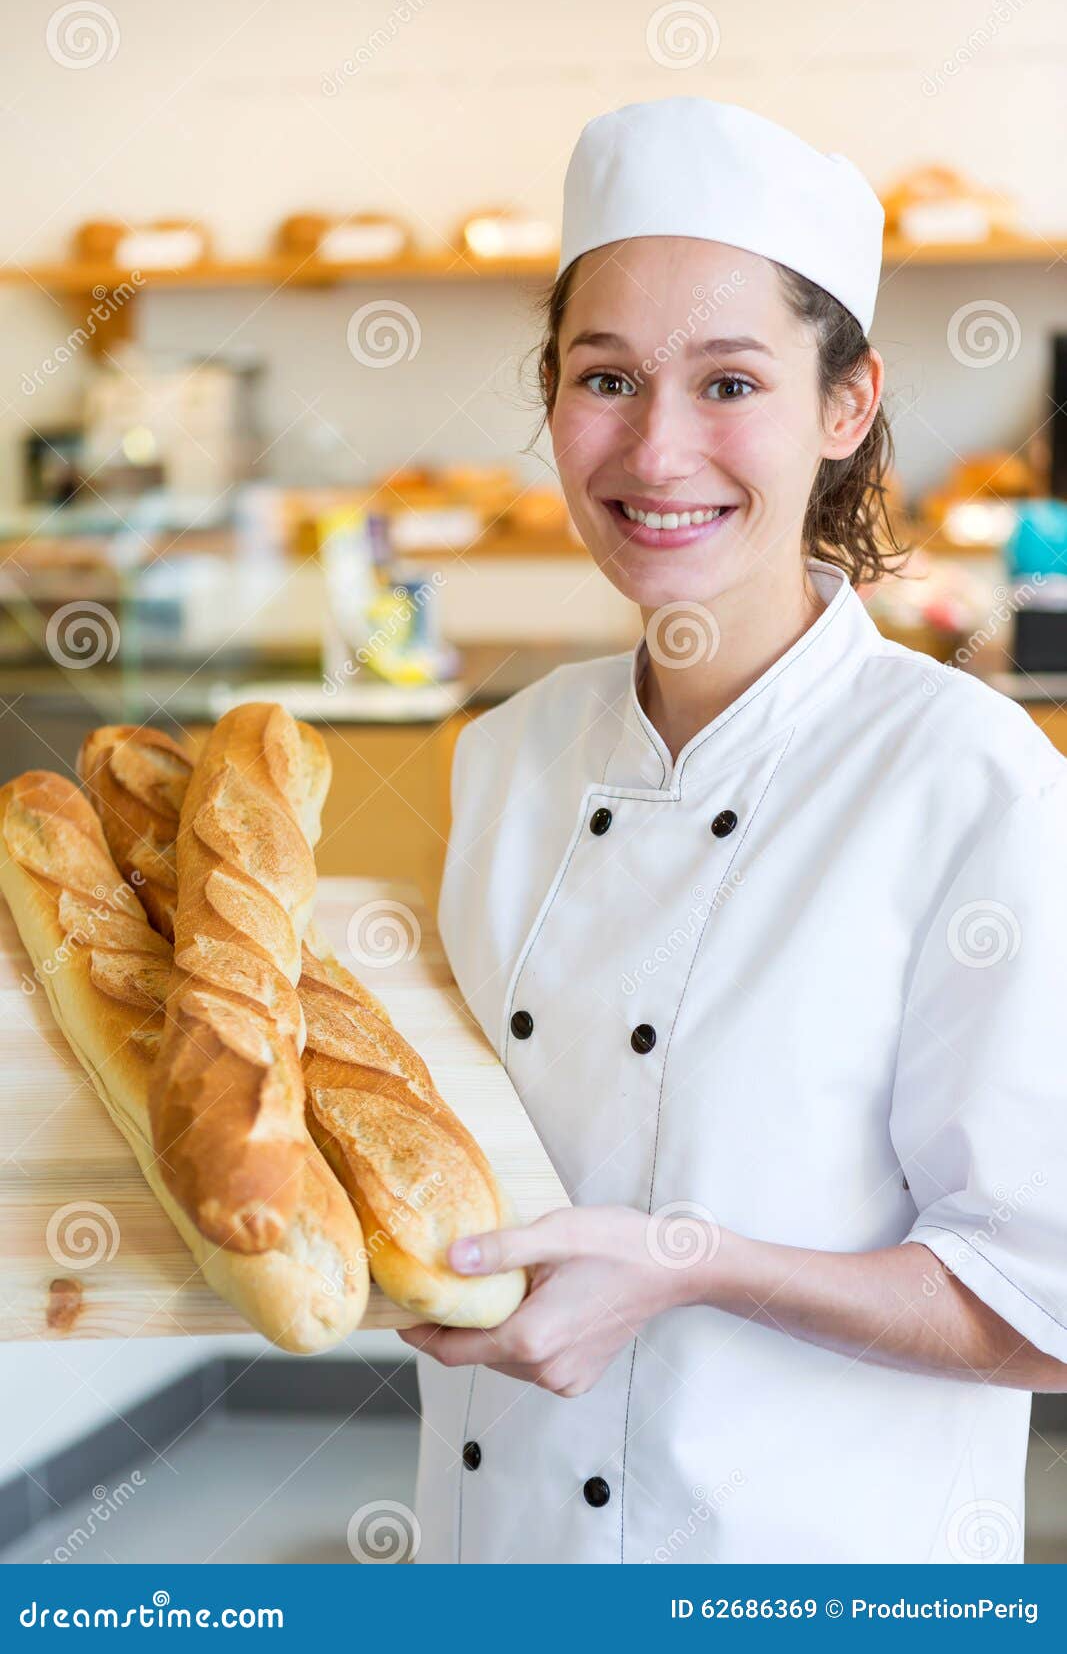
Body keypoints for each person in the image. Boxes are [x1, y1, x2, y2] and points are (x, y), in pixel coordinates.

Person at [399, 96, 1067, 1565]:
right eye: (606, 376)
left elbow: (1048, 1303)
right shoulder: (503, 758)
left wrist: (691, 1267)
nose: (656, 448)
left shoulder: (969, 779)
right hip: (495, 1560)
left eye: (729, 382)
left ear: (846, 406)